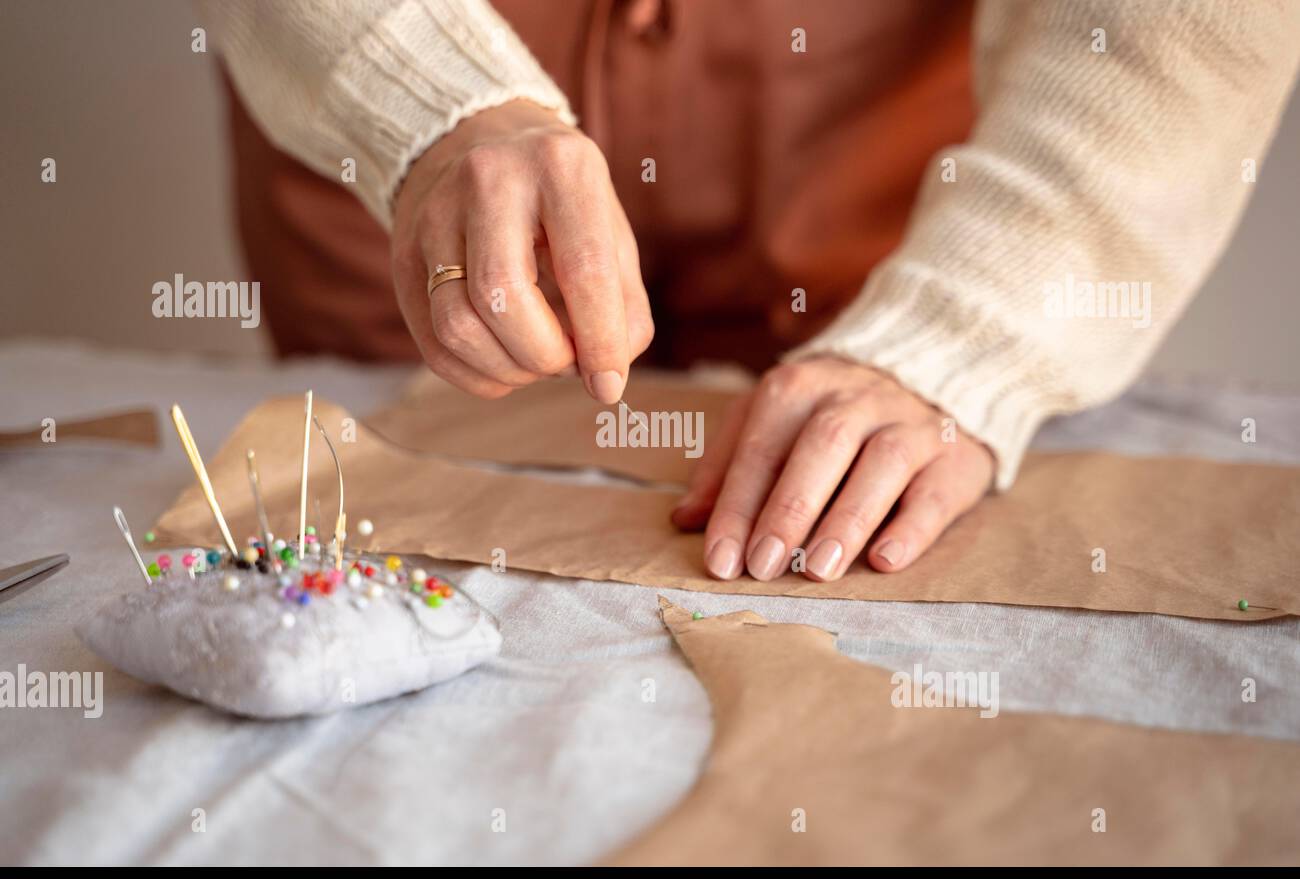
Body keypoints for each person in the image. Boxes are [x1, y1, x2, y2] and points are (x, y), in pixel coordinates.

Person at [199, 0, 1299, 583]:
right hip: (393, 115)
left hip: (852, 106)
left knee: (844, 484)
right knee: (379, 502)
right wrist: (428, 106)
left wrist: (963, 334)